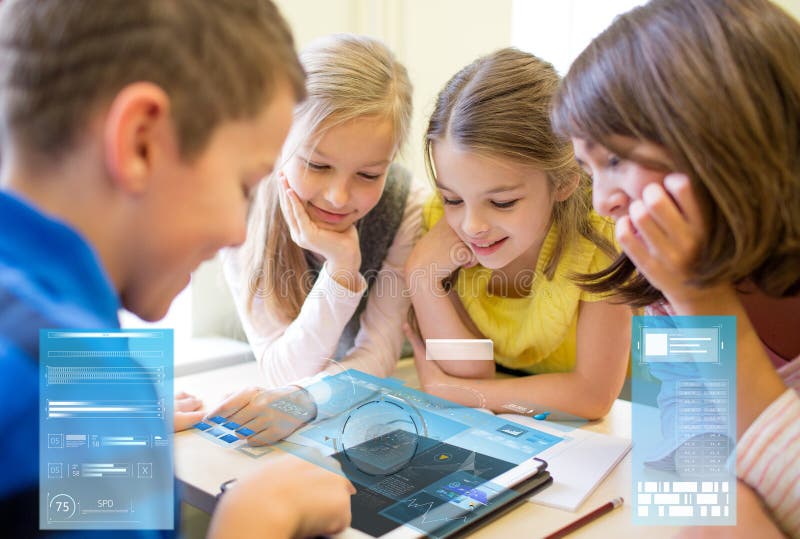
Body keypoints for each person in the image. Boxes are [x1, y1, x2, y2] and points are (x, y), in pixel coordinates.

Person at [0, 0, 353, 537]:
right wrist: (259, 516)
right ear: (141, 142)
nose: (239, 231)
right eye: (244, 185)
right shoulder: (87, 389)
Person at [550, 0, 800, 536]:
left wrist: (701, 300)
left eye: (615, 159)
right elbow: (687, 465)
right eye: (588, 169)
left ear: (721, 133)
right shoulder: (662, 287)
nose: (602, 203)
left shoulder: (684, 284)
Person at [404, 48, 632, 420]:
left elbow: (593, 397)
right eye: (453, 198)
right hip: (516, 403)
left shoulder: (601, 235)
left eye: (502, 202)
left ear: (564, 183)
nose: (471, 226)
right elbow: (473, 371)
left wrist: (454, 392)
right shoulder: (441, 226)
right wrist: (420, 276)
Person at [224, 33, 425, 387]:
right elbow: (281, 373)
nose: (338, 197)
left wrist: (343, 267)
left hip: (392, 386)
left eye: (369, 174)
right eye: (316, 165)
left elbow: (379, 352)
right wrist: (340, 271)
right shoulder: (240, 206)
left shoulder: (407, 206)